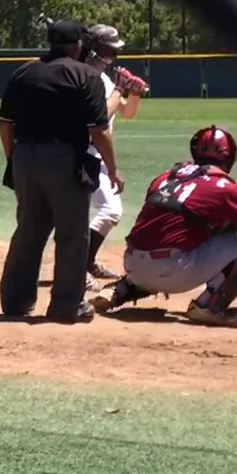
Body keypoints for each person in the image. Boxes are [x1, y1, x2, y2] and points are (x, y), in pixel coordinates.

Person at [91, 126, 237, 328]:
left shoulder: (165, 176)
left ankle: (120, 289)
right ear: (229, 157)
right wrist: (233, 216)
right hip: (173, 271)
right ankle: (209, 306)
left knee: (164, 240)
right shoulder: (225, 187)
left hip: (132, 264)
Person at [0, 19, 121, 323]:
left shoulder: (24, 72)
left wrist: (14, 157)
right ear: (79, 45)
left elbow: (5, 122)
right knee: (72, 234)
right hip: (65, 159)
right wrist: (113, 168)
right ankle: (67, 305)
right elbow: (99, 129)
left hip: (25, 156)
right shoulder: (86, 75)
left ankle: (15, 301)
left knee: (28, 230)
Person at [81, 24, 147, 284]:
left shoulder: (106, 80)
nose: (115, 56)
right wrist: (121, 88)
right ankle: (80, 265)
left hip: (98, 156)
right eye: (112, 51)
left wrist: (134, 93)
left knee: (102, 211)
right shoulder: (87, 77)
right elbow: (99, 119)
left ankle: (85, 262)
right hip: (84, 153)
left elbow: (127, 113)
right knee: (109, 210)